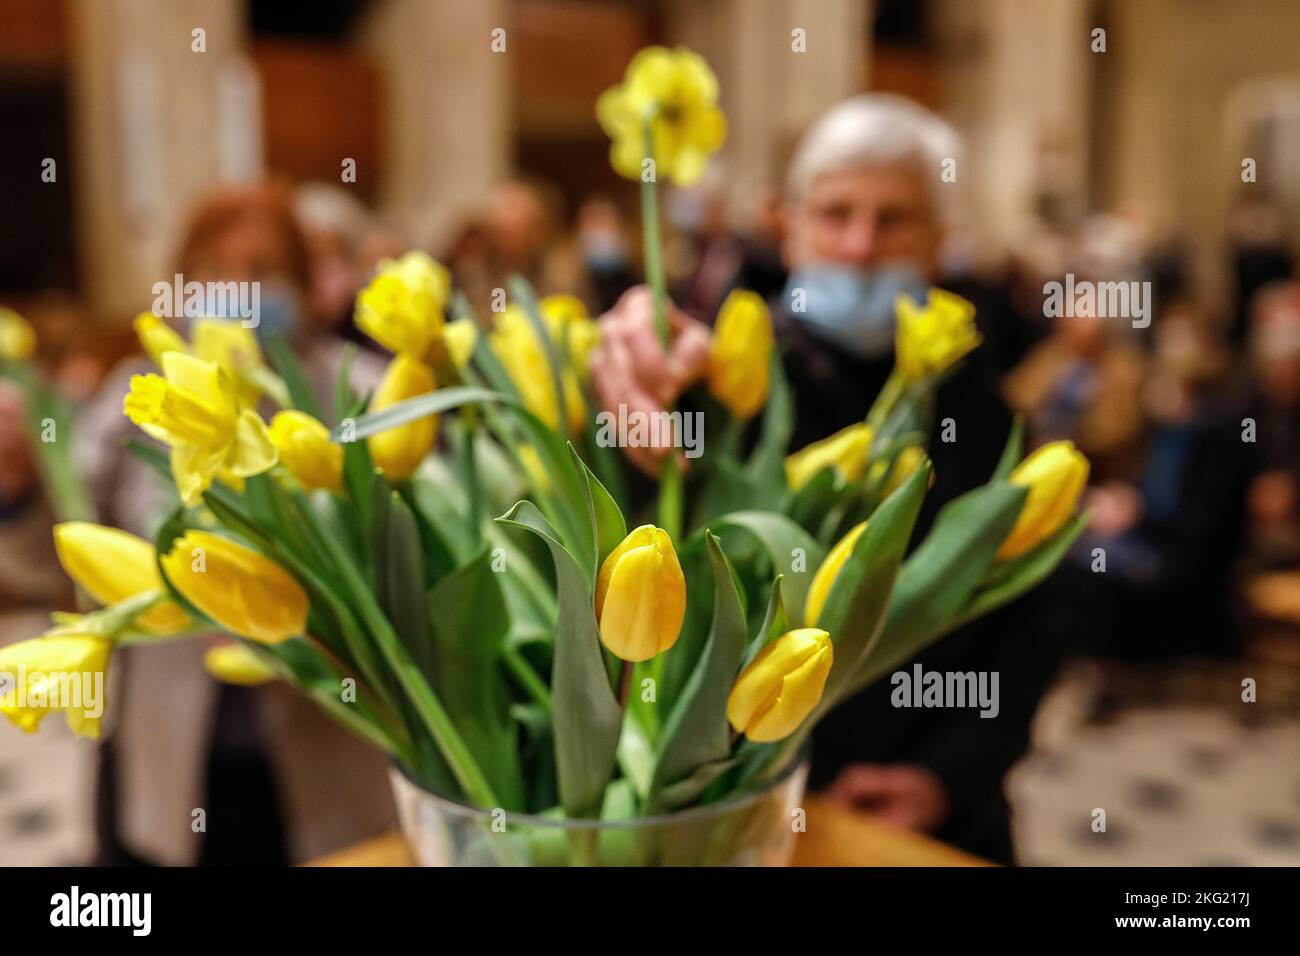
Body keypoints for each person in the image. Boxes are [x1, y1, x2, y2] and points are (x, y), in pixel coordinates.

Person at [590, 95, 1040, 861]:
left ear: (940, 241)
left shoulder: (980, 404)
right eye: (835, 214)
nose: (861, 246)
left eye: (893, 220)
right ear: (785, 223)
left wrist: (944, 775)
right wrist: (614, 376)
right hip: (741, 814)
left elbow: (1036, 619)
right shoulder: (726, 375)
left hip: (931, 815)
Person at [2, 183, 394, 865]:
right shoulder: (139, 396)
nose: (236, 292)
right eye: (213, 269)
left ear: (302, 285)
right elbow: (64, 552)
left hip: (324, 752)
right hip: (173, 742)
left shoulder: (356, 391)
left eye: (262, 271)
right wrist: (22, 487)